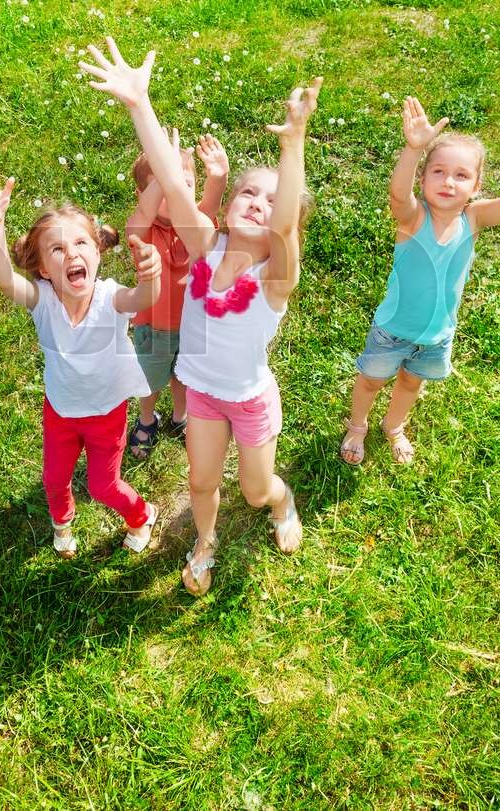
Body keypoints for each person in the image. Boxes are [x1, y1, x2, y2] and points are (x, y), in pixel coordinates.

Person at [84, 36, 316, 595]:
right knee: (202, 481)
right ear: (230, 202)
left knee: (256, 490)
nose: (258, 202)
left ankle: (281, 503)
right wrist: (140, 105)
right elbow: (169, 176)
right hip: (202, 390)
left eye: (271, 197)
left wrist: (293, 145)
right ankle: (204, 542)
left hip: (249, 396)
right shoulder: (203, 245)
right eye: (248, 193)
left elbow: (283, 226)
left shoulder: (275, 276)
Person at [340, 97, 500, 465]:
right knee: (371, 380)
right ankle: (357, 425)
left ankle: (394, 426)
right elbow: (397, 194)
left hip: (436, 334)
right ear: (423, 177)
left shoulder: (474, 218)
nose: (449, 182)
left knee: (410, 383)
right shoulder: (413, 217)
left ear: (477, 185)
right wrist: (413, 148)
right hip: (392, 330)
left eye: (462, 175)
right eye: (438, 172)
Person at [0, 180, 163, 558]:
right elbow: (1, 277)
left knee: (102, 486)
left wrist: (151, 275)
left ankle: (142, 514)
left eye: (81, 244)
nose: (71, 255)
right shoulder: (42, 301)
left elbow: (145, 296)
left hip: (106, 413)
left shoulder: (111, 297)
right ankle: (62, 523)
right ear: (44, 270)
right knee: (53, 479)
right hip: (61, 411)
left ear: (97, 253)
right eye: (58, 249)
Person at [123, 129, 227, 458]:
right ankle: (146, 418)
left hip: (193, 327)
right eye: (166, 187)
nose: (177, 191)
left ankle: (180, 416)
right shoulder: (141, 230)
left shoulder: (196, 225)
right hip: (153, 329)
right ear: (144, 194)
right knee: (150, 381)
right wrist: (164, 170)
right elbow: (142, 213)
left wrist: (218, 177)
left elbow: (210, 204)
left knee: (184, 377)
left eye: (184, 183)